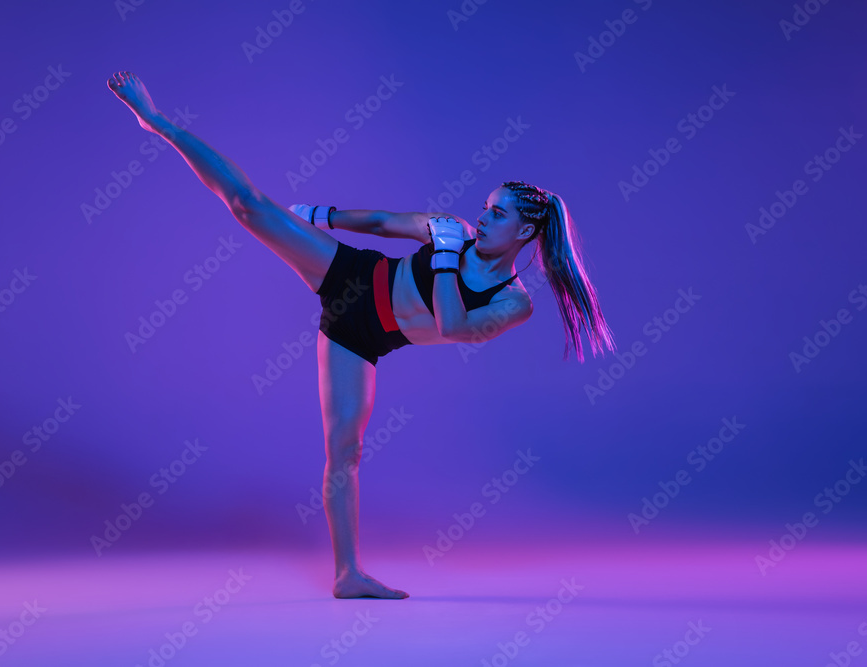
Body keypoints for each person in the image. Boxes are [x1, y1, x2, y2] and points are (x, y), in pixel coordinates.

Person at [107, 71, 616, 599]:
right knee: (248, 204)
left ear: (526, 232)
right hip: (351, 275)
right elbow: (378, 222)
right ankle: (156, 120)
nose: (483, 219)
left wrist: (443, 257)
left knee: (344, 449)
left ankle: (347, 574)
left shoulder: (514, 302)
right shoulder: (455, 230)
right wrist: (319, 216)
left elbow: (455, 328)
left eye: (498, 214)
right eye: (486, 207)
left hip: (363, 338)